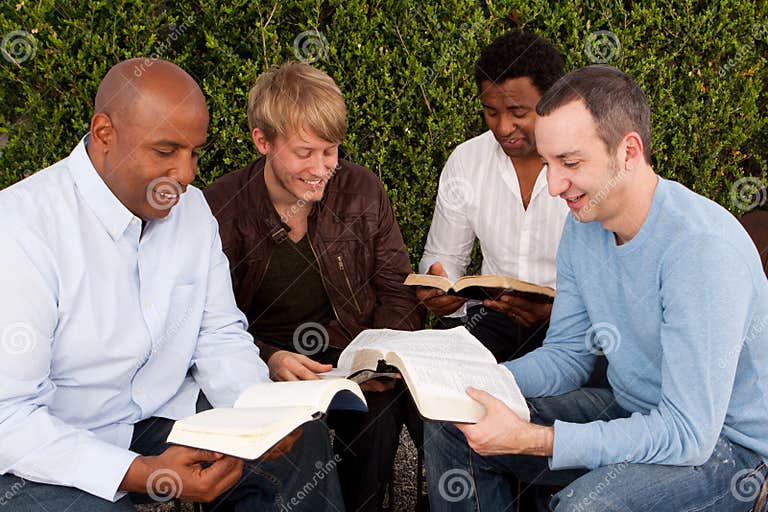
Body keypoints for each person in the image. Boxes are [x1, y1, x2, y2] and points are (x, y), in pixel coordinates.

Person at [0, 58, 343, 511]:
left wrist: (258, 420)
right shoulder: (21, 227)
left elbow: (218, 334)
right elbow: (10, 418)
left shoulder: (193, 211)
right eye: (165, 151)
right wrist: (143, 473)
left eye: (194, 152)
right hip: (53, 442)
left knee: (299, 446)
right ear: (104, 134)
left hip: (158, 415)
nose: (185, 175)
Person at [424, 65, 768, 511]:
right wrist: (474, 382)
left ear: (628, 152)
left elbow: (687, 434)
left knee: (586, 507)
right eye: (548, 163)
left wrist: (535, 439)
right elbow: (568, 354)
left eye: (570, 163)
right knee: (457, 420)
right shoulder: (584, 227)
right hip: (631, 410)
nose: (553, 185)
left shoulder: (700, 251)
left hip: (724, 449)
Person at [204, 61, 425, 512]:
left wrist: (377, 358)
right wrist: (267, 358)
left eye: (331, 151)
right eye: (305, 152)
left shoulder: (360, 189)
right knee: (268, 435)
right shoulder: (219, 208)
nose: (322, 168)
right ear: (262, 140)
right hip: (259, 360)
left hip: (347, 353)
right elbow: (201, 325)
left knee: (378, 414)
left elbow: (397, 289)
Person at [417, 30, 569, 363]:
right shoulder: (467, 160)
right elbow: (442, 256)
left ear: (552, 103)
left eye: (518, 113)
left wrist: (555, 311)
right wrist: (439, 283)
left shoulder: (583, 162)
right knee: (439, 388)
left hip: (573, 327)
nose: (502, 127)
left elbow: (614, 281)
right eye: (490, 111)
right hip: (491, 319)